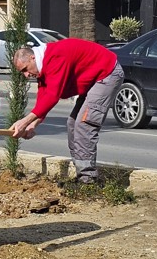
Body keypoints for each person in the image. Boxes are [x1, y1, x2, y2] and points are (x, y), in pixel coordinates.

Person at [10, 39, 124, 184]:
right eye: (22, 73)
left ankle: (88, 180)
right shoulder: (43, 65)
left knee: (84, 124)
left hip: (107, 73)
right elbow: (43, 96)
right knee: (72, 123)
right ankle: (81, 175)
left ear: (32, 57)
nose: (26, 75)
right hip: (93, 79)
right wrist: (33, 124)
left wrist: (24, 121)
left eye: (26, 69)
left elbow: (52, 96)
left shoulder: (55, 58)